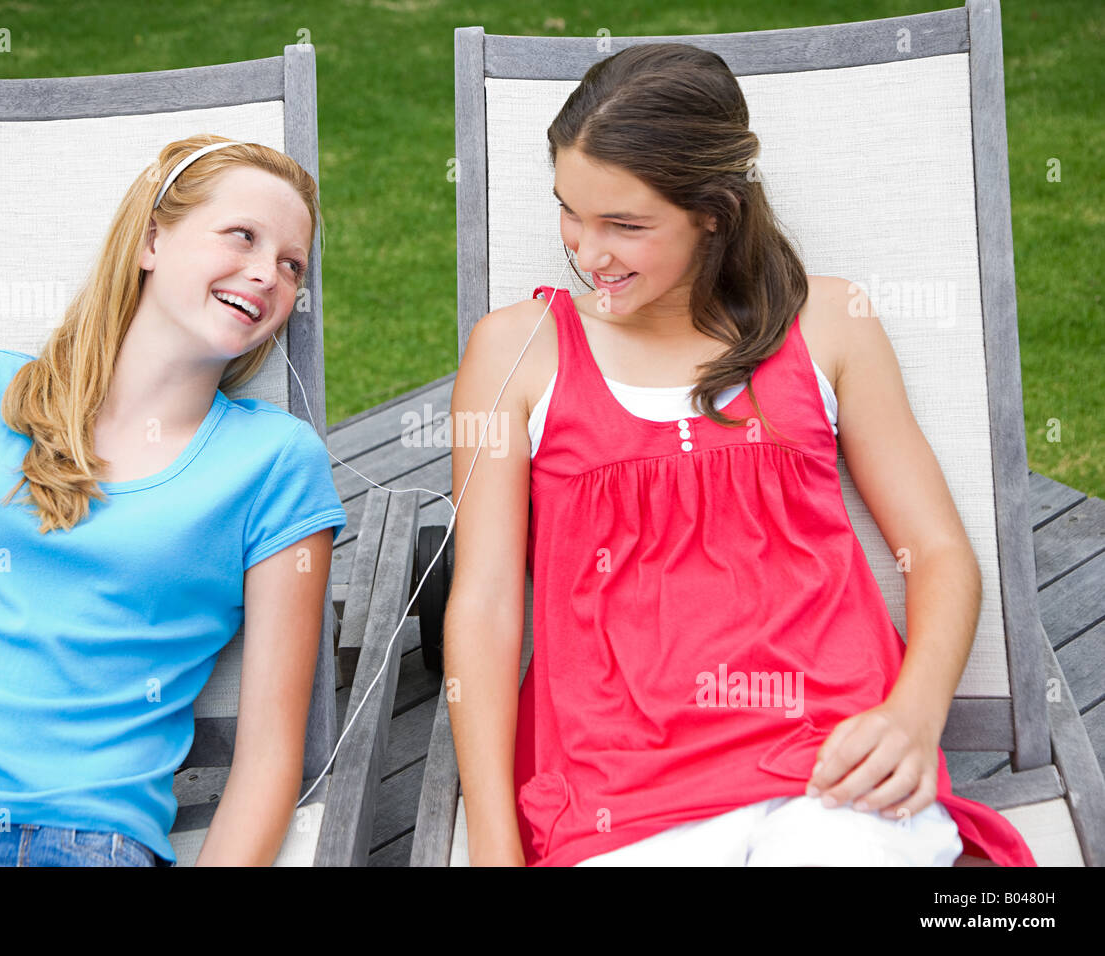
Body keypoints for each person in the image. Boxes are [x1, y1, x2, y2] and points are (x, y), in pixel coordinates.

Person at [444, 44, 1037, 867]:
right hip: (614, 788)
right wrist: (492, 845)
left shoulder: (830, 322)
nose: (587, 251)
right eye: (569, 211)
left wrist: (914, 715)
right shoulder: (516, 352)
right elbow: (484, 605)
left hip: (832, 763)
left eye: (626, 224)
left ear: (714, 211)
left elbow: (938, 551)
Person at [0, 135, 347, 866]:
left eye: (290, 265)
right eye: (242, 237)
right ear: (153, 238)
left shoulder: (275, 465)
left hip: (78, 840)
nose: (266, 276)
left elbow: (269, 761)